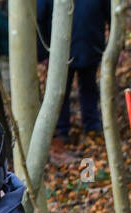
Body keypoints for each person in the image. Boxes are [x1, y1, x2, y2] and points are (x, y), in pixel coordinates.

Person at [39, 0, 110, 140]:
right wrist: (44, 53)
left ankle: (91, 125)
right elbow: (40, 19)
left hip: (90, 45)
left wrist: (115, 46)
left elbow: (110, 14)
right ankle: (62, 129)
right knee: (61, 92)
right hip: (61, 52)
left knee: (88, 87)